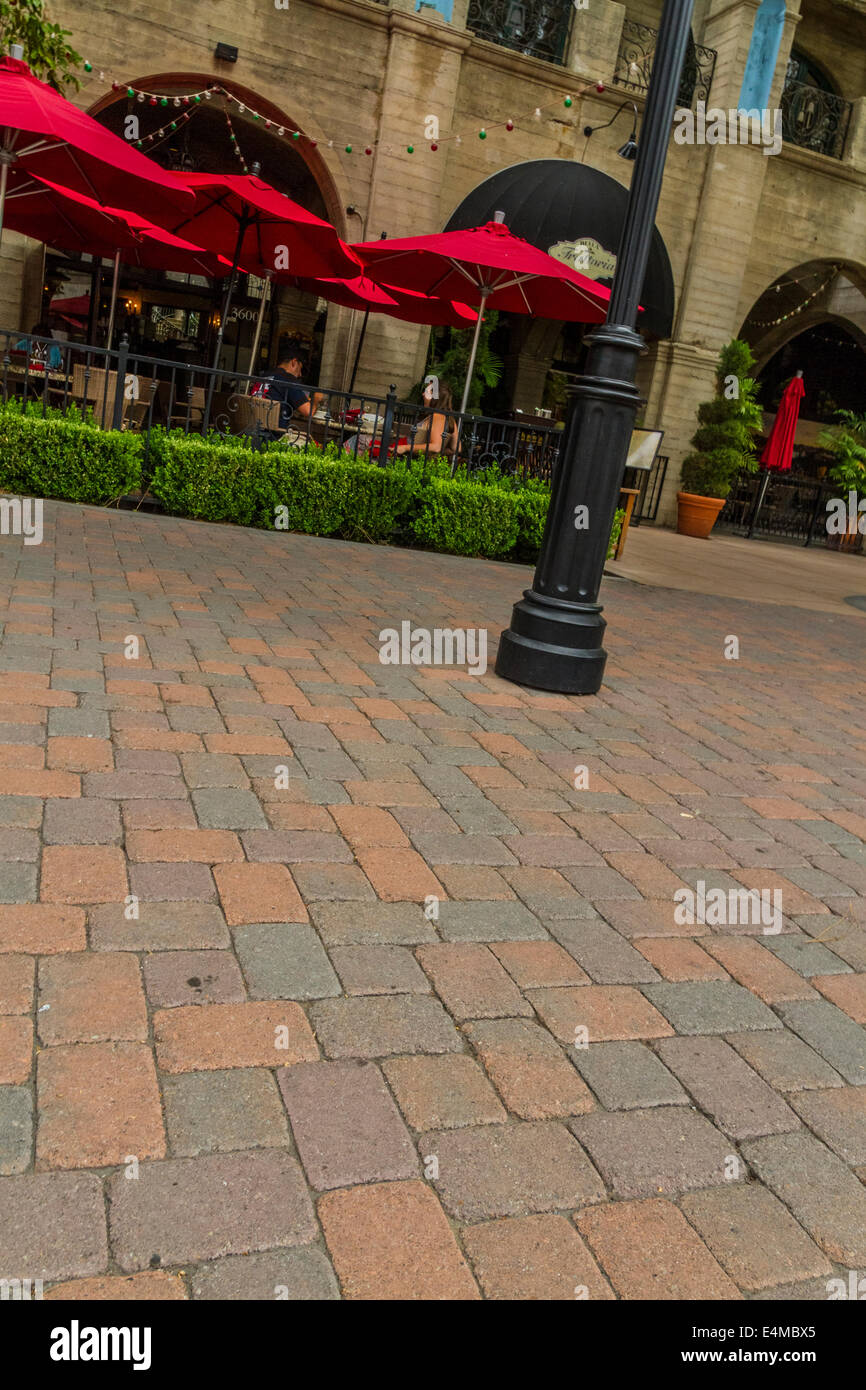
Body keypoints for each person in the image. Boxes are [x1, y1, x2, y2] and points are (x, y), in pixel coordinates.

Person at [254, 343, 324, 428]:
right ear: (294, 362)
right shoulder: (288, 379)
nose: (300, 374)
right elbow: (308, 411)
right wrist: (316, 398)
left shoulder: (265, 375)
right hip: (274, 435)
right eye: (300, 369)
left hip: (253, 428)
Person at [395, 375, 458, 457]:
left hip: (408, 455)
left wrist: (405, 448)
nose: (423, 394)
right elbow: (456, 448)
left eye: (427, 392)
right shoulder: (450, 419)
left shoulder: (437, 416)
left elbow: (436, 447)